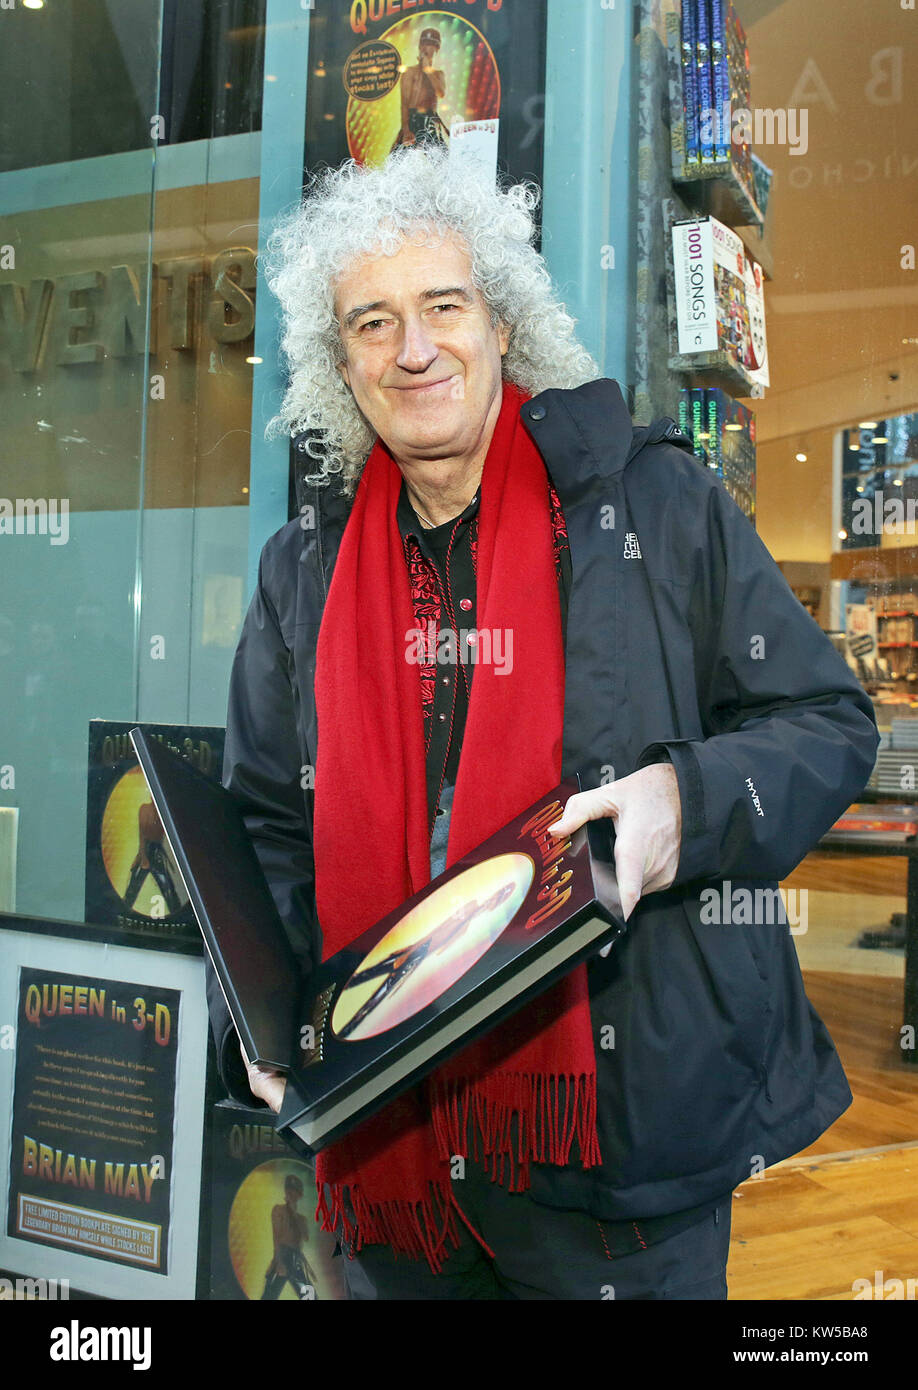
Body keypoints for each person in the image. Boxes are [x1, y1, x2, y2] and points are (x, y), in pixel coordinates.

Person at [207, 146, 879, 1300]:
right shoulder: (301, 572)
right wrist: (271, 1030)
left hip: (620, 1144)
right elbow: (266, 821)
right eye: (371, 322)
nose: (413, 348)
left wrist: (688, 798)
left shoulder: (652, 504)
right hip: (393, 1147)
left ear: (503, 323)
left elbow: (827, 718)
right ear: (341, 362)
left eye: (443, 305)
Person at [390, 27, 448, 152]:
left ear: (436, 49)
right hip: (412, 120)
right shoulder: (409, 72)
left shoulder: (438, 74)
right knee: (398, 160)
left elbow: (441, 92)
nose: (425, 48)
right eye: (423, 44)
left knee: (440, 159)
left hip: (431, 121)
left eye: (430, 45)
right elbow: (405, 103)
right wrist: (406, 130)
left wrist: (427, 70)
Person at [261, 1173, 316, 1300]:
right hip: (282, 1254)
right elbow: (276, 1235)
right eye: (289, 1191)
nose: (291, 1194)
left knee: (310, 1296)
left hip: (296, 1259)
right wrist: (278, 1261)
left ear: (299, 1195)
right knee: (269, 1295)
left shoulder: (302, 1219)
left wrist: (294, 1213)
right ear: (286, 1191)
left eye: (295, 1192)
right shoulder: (278, 1210)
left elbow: (306, 1237)